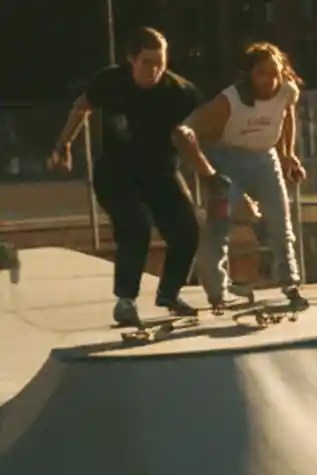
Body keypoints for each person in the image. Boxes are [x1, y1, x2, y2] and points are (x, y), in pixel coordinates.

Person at [48, 27, 202, 325]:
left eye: (160, 62)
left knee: (187, 228)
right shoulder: (110, 81)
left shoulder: (179, 92)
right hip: (116, 173)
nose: (154, 70)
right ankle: (125, 301)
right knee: (136, 226)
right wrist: (64, 143)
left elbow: (200, 130)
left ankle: (169, 292)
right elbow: (82, 107)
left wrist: (208, 172)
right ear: (131, 60)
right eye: (147, 62)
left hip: (160, 172)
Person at [172, 42, 308, 311]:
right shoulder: (229, 101)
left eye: (275, 73)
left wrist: (287, 153)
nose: (270, 80)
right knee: (222, 223)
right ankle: (217, 291)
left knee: (280, 220)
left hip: (264, 157)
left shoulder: (286, 92)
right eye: (262, 73)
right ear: (249, 74)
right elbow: (187, 131)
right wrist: (208, 172)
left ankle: (290, 284)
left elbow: (287, 115)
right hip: (224, 157)